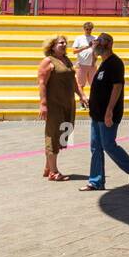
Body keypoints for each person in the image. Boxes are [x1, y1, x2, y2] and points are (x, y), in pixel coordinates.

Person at [79, 32, 129, 192]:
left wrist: (109, 111)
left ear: (108, 44)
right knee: (96, 147)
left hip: (107, 114)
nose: (95, 42)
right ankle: (96, 181)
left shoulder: (115, 63)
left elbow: (117, 87)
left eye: (99, 40)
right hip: (96, 114)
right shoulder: (103, 63)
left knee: (108, 145)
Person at [37, 33, 86, 181]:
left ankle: (48, 167)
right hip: (54, 104)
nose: (64, 45)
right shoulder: (48, 61)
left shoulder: (66, 60)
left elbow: (74, 81)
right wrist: (43, 104)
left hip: (68, 103)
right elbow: (42, 83)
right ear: (52, 46)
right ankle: (54, 172)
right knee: (53, 135)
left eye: (65, 43)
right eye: (60, 43)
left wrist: (81, 95)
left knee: (64, 133)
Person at [72, 22, 97, 96]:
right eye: (87, 29)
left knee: (94, 85)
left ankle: (93, 101)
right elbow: (74, 51)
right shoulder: (79, 38)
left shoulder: (95, 38)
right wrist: (85, 47)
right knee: (80, 85)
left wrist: (94, 59)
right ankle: (82, 102)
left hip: (92, 65)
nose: (88, 31)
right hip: (81, 65)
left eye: (90, 29)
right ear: (84, 29)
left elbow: (98, 51)